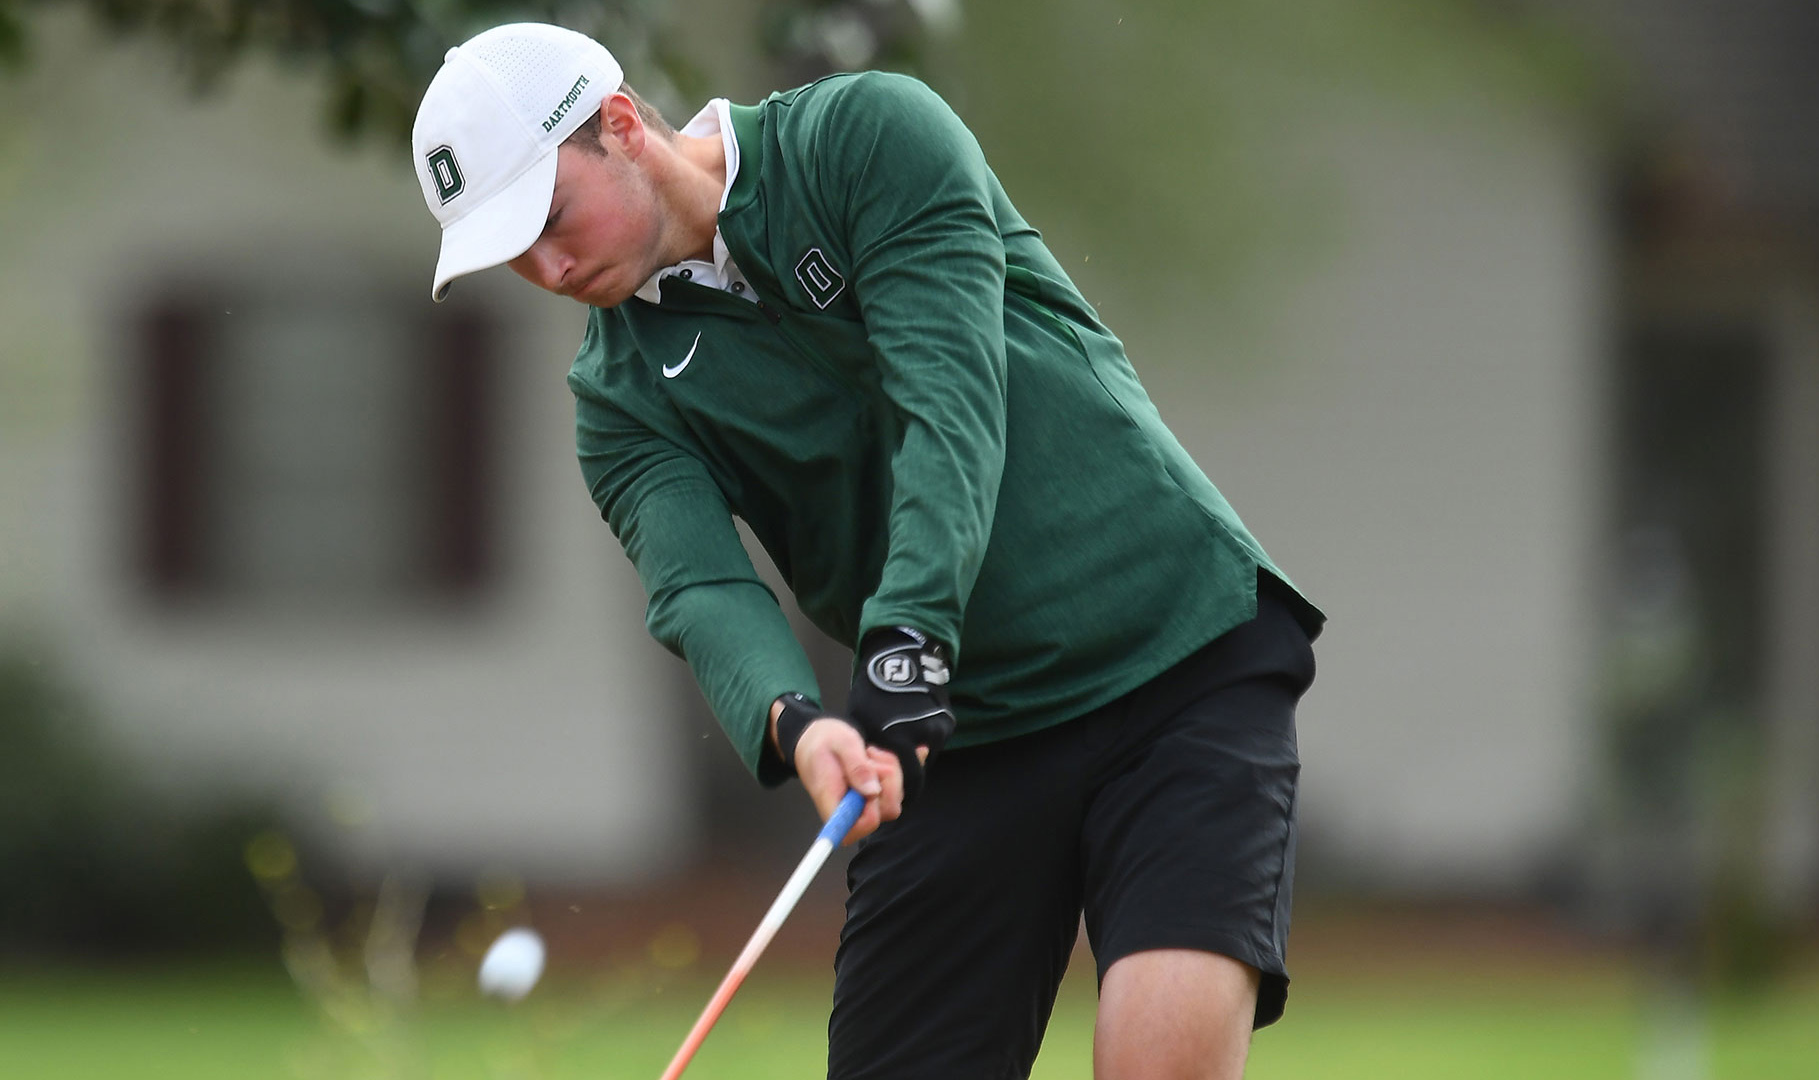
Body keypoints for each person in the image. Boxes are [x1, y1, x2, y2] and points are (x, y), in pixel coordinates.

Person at [411, 22, 1323, 1080]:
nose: (549, 267)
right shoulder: (617, 403)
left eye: (550, 220)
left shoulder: (869, 137)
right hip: (948, 739)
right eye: (512, 255)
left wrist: (908, 637)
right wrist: (797, 724)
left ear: (620, 125)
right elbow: (703, 589)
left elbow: (950, 400)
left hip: (1173, 651)